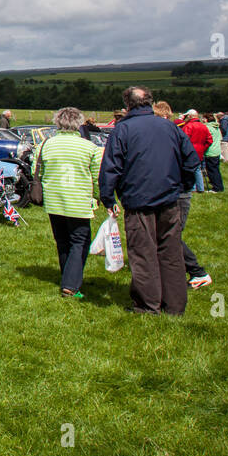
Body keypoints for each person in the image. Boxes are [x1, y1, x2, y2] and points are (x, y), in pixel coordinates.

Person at [100, 87, 201, 315]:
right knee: (170, 251)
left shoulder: (122, 130)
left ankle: (148, 305)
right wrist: (182, 185)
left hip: (139, 201)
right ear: (150, 102)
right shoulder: (169, 127)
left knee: (144, 253)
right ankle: (174, 305)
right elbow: (191, 160)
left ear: (127, 105)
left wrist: (107, 197)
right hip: (169, 199)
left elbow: (111, 168)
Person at [35, 107, 103, 299]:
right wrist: (98, 196)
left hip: (54, 200)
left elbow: (37, 170)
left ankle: (68, 275)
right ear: (79, 124)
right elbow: (98, 177)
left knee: (63, 241)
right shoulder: (90, 147)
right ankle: (71, 284)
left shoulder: (45, 145)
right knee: (80, 241)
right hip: (78, 201)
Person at [152, 103, 213, 288]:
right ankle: (172, 271)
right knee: (165, 234)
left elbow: (190, 160)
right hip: (172, 188)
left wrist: (182, 183)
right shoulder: (176, 131)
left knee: (170, 235)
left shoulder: (176, 132)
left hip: (176, 190)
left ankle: (197, 272)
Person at [179, 109, 211, 192]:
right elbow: (209, 140)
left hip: (189, 150)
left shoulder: (189, 126)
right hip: (200, 150)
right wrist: (203, 148)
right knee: (197, 169)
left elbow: (183, 139)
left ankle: (191, 188)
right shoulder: (203, 126)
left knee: (188, 169)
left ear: (189, 116)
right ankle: (200, 188)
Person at [202, 112, 223, 191]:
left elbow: (205, 139)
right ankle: (219, 185)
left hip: (210, 151)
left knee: (211, 171)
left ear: (206, 120)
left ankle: (216, 188)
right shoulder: (216, 127)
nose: (202, 120)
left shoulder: (207, 127)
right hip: (217, 150)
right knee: (216, 170)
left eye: (204, 118)